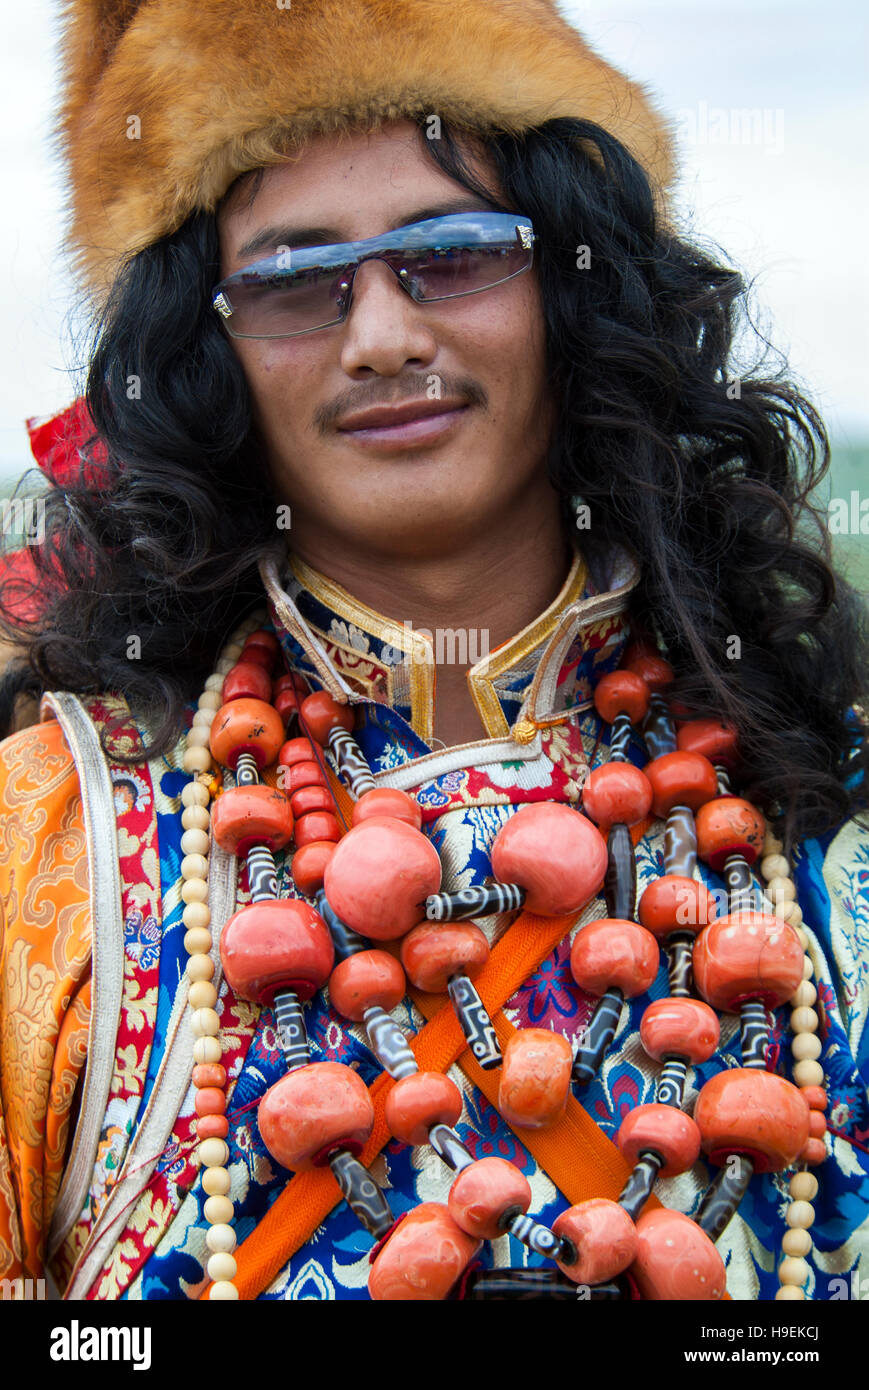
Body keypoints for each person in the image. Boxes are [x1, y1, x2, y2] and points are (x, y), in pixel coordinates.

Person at [0, 0, 866, 1303]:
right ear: (205, 352)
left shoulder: (826, 817)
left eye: (452, 255)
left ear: (577, 285)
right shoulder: (49, 856)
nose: (383, 336)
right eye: (295, 281)